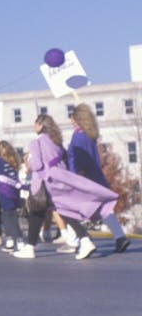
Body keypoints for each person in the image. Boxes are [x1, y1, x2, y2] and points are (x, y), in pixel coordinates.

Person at [13, 114, 119, 260]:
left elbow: (36, 165)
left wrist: (29, 160)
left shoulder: (35, 143)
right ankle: (84, 240)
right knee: (64, 211)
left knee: (37, 213)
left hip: (44, 184)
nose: (33, 126)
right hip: (58, 180)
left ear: (40, 125)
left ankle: (31, 248)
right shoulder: (55, 141)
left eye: (35, 123)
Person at [68, 104, 131, 253]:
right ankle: (120, 237)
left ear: (79, 119)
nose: (71, 122)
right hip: (96, 176)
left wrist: (75, 178)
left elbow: (77, 159)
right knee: (104, 209)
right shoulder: (90, 135)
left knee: (73, 209)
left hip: (83, 178)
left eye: (73, 119)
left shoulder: (78, 136)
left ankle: (75, 241)